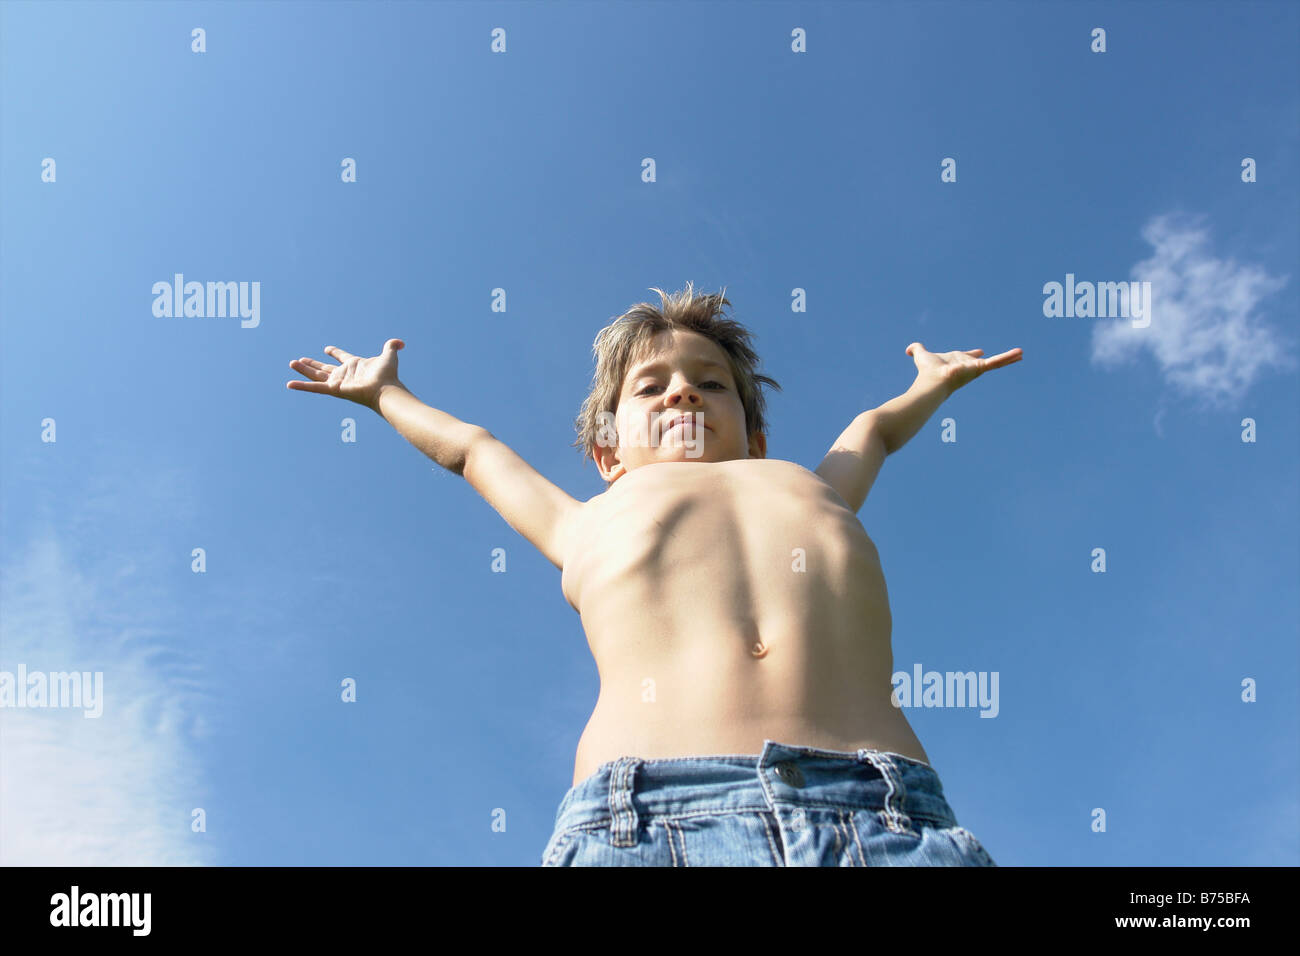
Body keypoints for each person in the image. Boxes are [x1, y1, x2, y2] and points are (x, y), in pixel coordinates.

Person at [287, 282, 1022, 866]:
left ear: (756, 437)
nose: (682, 392)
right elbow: (474, 451)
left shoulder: (812, 485)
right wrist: (386, 394)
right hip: (643, 819)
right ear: (608, 455)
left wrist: (932, 384)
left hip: (882, 813)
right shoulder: (582, 520)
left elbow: (875, 430)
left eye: (712, 382)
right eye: (650, 387)